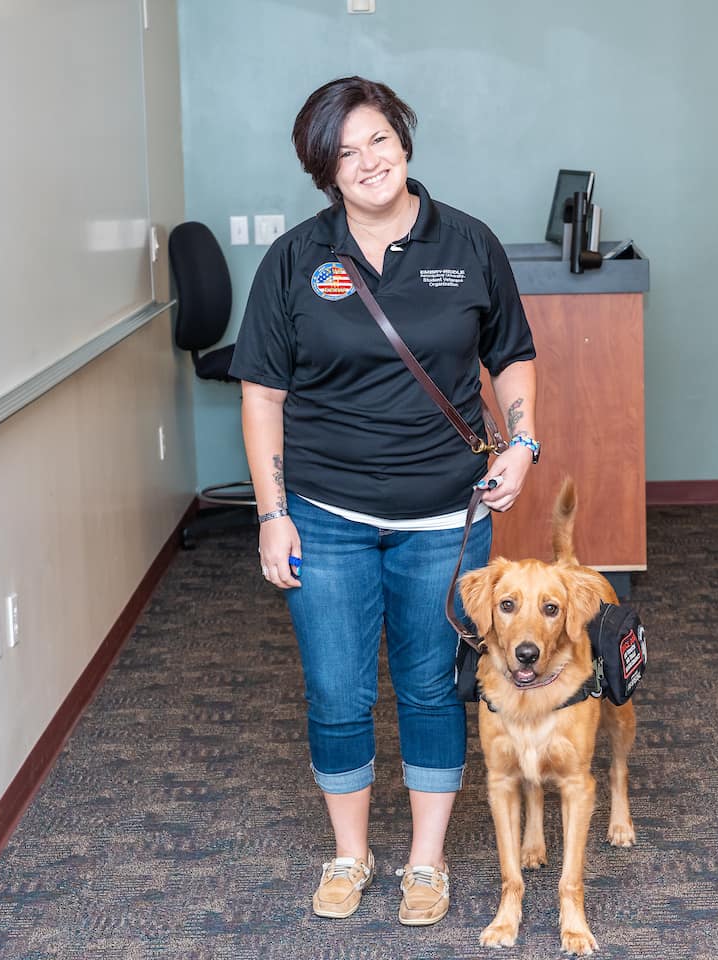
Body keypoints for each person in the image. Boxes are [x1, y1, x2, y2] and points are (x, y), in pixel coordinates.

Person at [228, 76, 539, 926]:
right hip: (325, 514)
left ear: (403, 140)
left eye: (378, 140)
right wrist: (272, 514)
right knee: (336, 692)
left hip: (445, 517)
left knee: (432, 688)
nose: (367, 161)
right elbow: (261, 394)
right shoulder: (296, 258)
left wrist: (522, 442)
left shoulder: (468, 243)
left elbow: (512, 354)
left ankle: (426, 863)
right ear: (323, 171)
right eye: (344, 152)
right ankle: (350, 854)